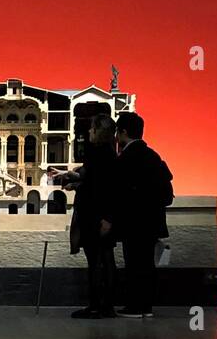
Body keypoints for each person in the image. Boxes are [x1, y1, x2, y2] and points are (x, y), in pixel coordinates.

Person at [53, 113, 119, 318]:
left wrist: (106, 218)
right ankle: (105, 306)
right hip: (100, 216)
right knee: (105, 260)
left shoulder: (99, 154)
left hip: (95, 216)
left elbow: (103, 188)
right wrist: (76, 182)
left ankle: (97, 306)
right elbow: (97, 183)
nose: (89, 131)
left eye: (92, 128)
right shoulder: (109, 154)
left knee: (97, 261)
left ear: (99, 131)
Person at [111, 111, 173, 318]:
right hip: (152, 221)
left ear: (123, 132)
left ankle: (134, 306)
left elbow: (119, 191)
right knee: (147, 264)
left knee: (134, 264)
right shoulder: (152, 155)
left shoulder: (127, 158)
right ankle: (146, 306)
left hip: (134, 222)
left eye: (117, 132)